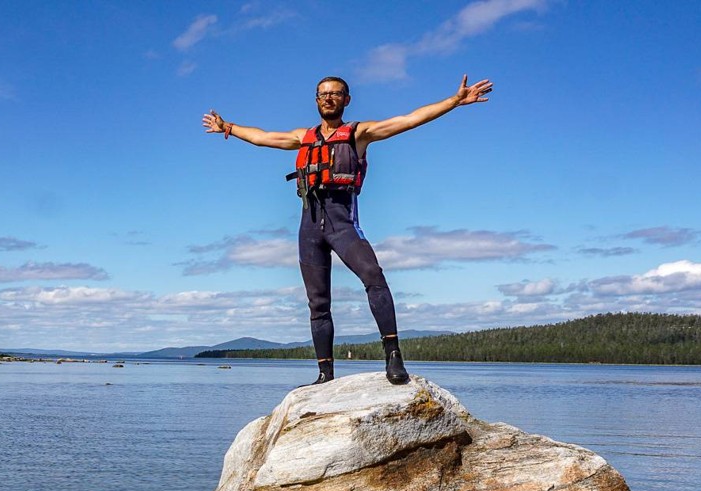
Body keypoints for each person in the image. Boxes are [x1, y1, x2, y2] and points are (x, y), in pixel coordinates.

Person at [202, 74, 493, 385]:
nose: (329, 98)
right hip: (310, 225)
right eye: (323, 94)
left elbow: (409, 120)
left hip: (343, 221)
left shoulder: (359, 134)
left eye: (335, 94)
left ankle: (393, 356)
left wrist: (454, 101)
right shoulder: (304, 137)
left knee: (373, 276)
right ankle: (325, 373)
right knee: (318, 302)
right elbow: (262, 137)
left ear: (346, 100)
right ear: (316, 101)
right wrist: (228, 128)